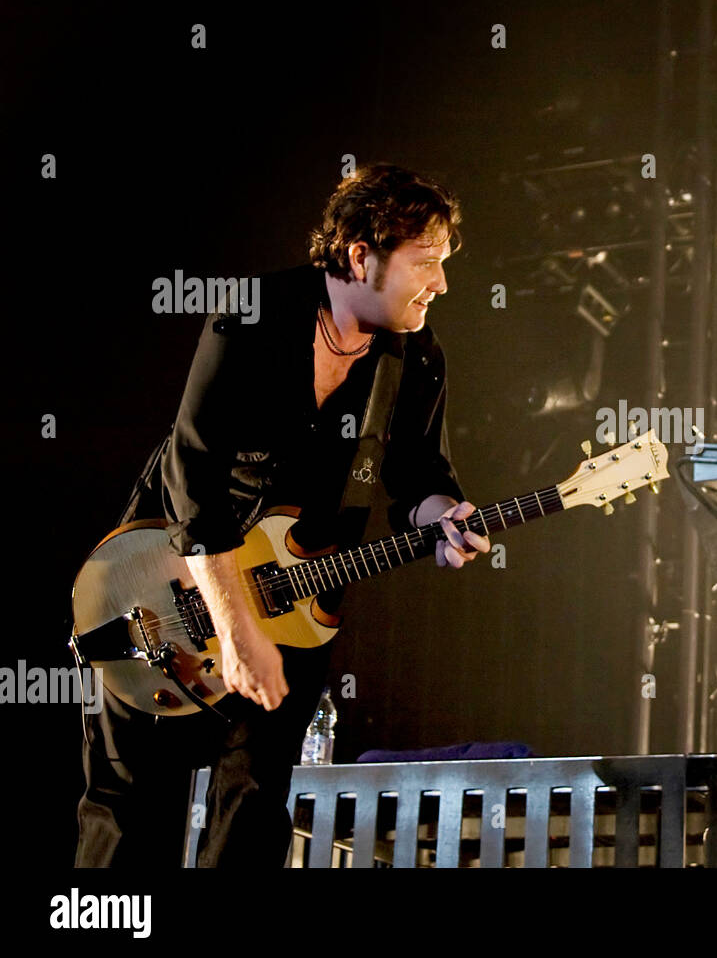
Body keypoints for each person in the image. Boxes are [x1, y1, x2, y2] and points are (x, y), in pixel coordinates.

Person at [75, 163, 491, 867]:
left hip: (297, 603)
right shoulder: (250, 317)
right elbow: (193, 476)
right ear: (362, 255)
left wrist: (446, 515)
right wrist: (234, 631)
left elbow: (419, 477)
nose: (441, 284)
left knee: (255, 803)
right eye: (425, 263)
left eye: (444, 264)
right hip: (155, 588)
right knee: (128, 803)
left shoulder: (416, 358)